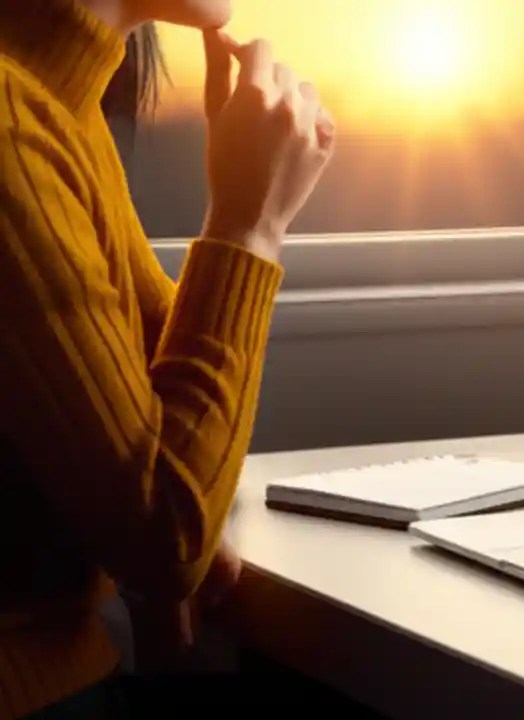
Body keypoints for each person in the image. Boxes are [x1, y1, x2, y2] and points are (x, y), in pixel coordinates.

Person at [0, 0, 335, 716]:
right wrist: (250, 225)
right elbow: (164, 532)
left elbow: (146, 401)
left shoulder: (55, 99)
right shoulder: (10, 121)